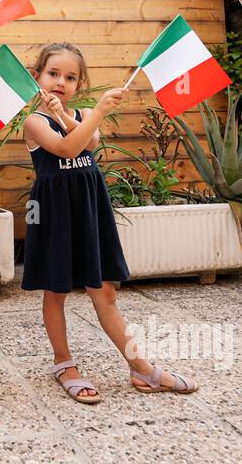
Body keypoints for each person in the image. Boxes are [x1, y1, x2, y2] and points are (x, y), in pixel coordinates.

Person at [20, 42, 198, 403]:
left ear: (79, 85)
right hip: (56, 216)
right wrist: (97, 112)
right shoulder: (35, 123)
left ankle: (140, 367)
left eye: (70, 78)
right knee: (55, 292)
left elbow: (90, 142)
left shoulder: (84, 116)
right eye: (53, 74)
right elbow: (69, 149)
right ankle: (63, 363)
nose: (60, 82)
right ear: (37, 76)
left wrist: (84, 115)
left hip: (88, 214)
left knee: (106, 292)